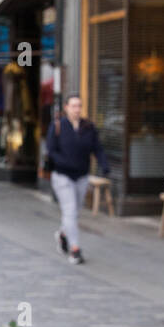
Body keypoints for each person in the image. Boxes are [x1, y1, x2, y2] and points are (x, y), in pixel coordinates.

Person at [45, 94, 108, 265]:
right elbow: (51, 151)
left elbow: (98, 148)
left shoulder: (88, 127)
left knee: (74, 212)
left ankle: (63, 235)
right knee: (70, 211)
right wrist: (64, 162)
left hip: (81, 177)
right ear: (66, 107)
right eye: (73, 106)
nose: (77, 109)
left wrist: (104, 165)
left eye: (79, 105)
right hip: (62, 176)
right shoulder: (57, 126)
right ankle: (75, 249)